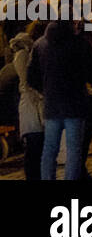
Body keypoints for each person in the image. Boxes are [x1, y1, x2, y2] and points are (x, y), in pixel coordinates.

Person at [29, 20, 92, 180]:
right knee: (74, 150)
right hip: (75, 103)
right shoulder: (80, 44)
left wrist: (46, 89)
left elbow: (31, 77)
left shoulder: (40, 44)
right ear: (73, 23)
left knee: (49, 149)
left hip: (52, 104)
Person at [11, 23, 45, 180]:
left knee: (38, 145)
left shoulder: (31, 51)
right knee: (34, 145)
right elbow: (27, 82)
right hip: (31, 104)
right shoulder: (23, 54)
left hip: (35, 103)